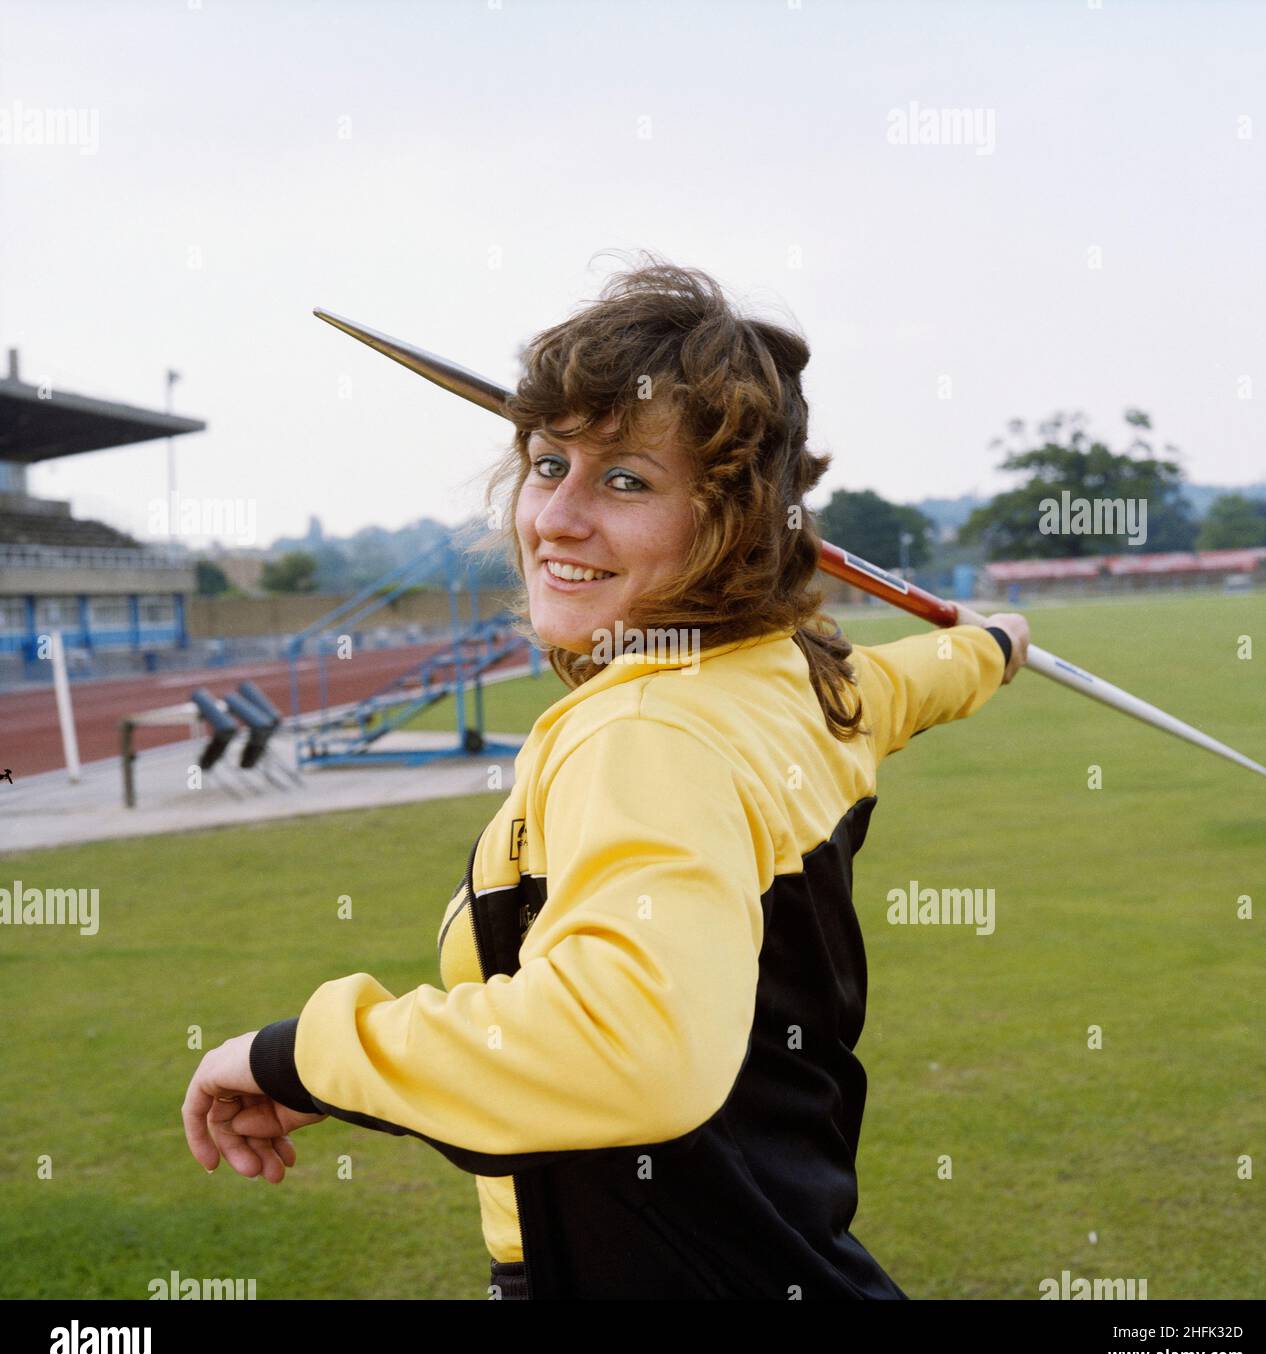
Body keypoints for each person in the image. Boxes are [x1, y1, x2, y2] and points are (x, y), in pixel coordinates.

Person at [181, 256, 1029, 1300]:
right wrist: (993, 645)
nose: (558, 519)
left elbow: (622, 1046)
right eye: (548, 463)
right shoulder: (795, 679)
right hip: (777, 1252)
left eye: (626, 478)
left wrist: (298, 1054)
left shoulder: (643, 728)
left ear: (728, 521)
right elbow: (913, 683)